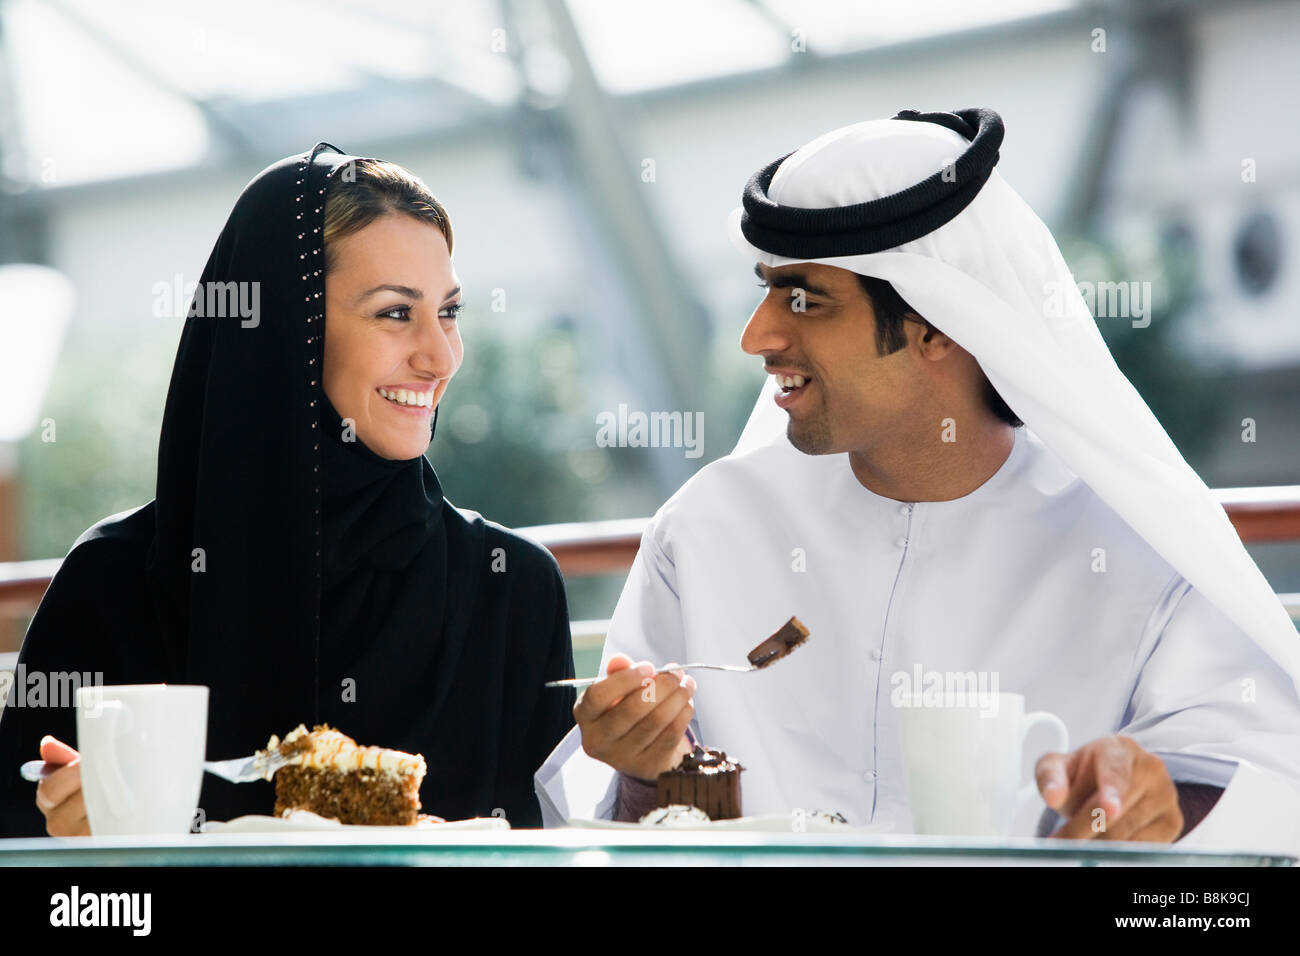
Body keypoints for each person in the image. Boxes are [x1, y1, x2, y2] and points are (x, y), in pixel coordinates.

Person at [536, 109, 1300, 851]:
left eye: (805, 298)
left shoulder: (1136, 542)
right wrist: (640, 769)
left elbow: (1251, 795)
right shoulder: (705, 530)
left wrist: (1159, 806)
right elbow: (632, 830)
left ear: (937, 322)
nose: (757, 335)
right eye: (767, 288)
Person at [0, 143, 576, 837]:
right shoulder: (114, 584)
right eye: (396, 313)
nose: (442, 354)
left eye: (448, 311)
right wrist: (76, 843)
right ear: (287, 333)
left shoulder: (510, 589)